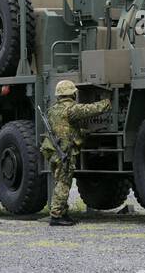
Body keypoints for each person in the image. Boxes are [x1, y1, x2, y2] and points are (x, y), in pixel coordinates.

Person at [41, 79, 111, 226]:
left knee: (60, 181)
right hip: (65, 152)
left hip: (55, 151)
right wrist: (107, 102)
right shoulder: (70, 109)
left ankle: (63, 213)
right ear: (72, 94)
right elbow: (91, 109)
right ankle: (56, 216)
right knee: (63, 182)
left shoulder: (52, 110)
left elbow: (65, 128)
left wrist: (81, 133)